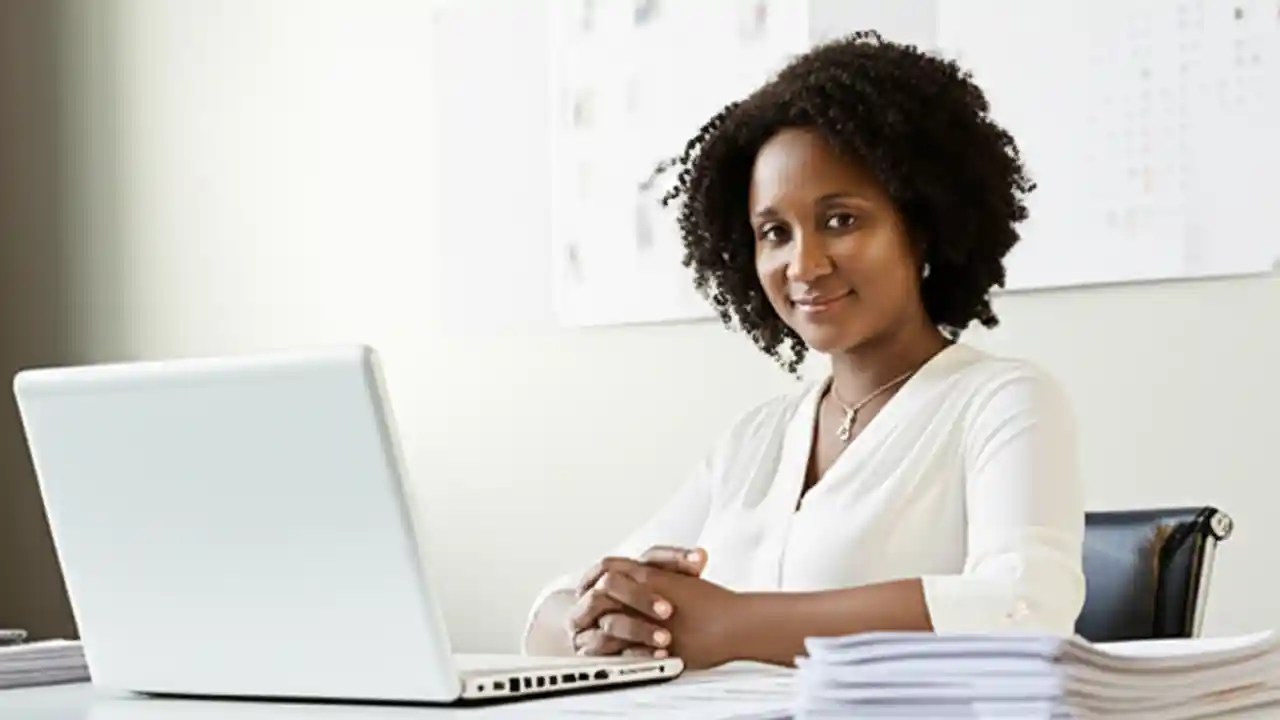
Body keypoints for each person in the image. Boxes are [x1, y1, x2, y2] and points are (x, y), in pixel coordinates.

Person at [524, 31, 1084, 670]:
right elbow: (551, 607)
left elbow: (1023, 609)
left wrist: (730, 625)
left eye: (841, 220)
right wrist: (607, 620)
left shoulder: (1001, 403)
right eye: (774, 233)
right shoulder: (754, 441)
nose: (804, 264)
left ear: (922, 226)